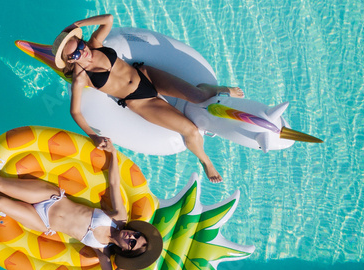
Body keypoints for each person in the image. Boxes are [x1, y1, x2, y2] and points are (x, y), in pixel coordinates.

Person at [0, 143, 162, 270]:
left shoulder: (103, 251)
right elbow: (114, 184)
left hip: (42, 222)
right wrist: (112, 154)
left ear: (126, 251)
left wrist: (129, 263)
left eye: (132, 244)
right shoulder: (118, 218)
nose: (131, 237)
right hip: (51, 198)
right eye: (136, 235)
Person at [53, 14, 243, 183]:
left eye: (80, 45)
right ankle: (206, 162)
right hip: (140, 101)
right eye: (76, 53)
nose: (83, 51)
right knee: (191, 132)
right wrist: (93, 136)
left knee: (198, 95)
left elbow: (108, 19)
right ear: (70, 60)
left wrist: (78, 24)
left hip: (146, 75)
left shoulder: (95, 44)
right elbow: (75, 112)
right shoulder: (81, 78)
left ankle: (219, 90)